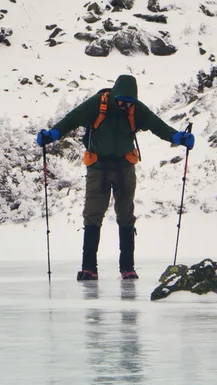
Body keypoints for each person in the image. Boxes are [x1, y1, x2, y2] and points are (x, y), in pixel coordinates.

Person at [36, 74, 194, 281]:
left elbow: (158, 126)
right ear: (114, 96)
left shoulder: (136, 109)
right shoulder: (98, 104)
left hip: (124, 168)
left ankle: (127, 268)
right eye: (121, 101)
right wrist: (53, 134)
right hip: (98, 168)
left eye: (129, 102)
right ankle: (89, 268)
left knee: (126, 215)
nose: (124, 105)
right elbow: (72, 119)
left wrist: (178, 137)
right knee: (92, 215)